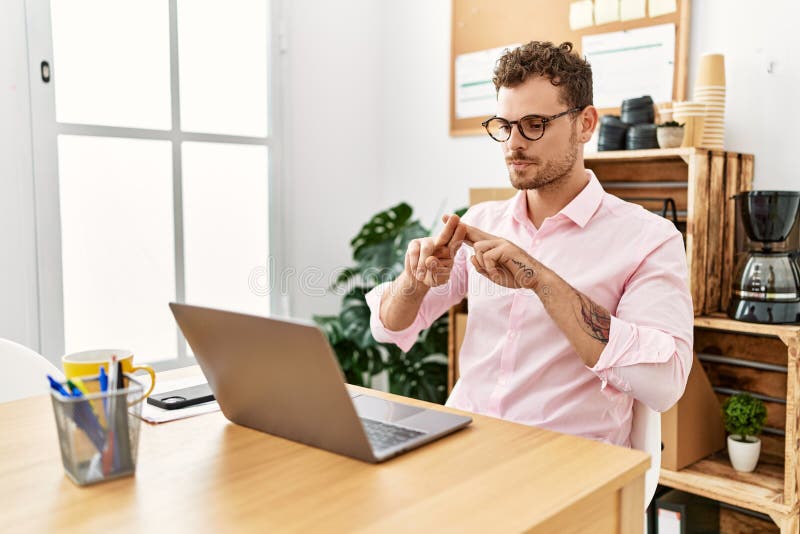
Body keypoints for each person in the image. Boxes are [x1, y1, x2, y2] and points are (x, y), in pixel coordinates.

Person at [365, 41, 693, 447]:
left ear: (585, 124)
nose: (513, 144)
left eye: (534, 124)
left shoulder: (648, 239)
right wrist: (413, 283)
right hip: (466, 444)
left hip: (564, 461)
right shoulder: (481, 223)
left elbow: (664, 383)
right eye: (504, 126)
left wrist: (539, 279)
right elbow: (388, 328)